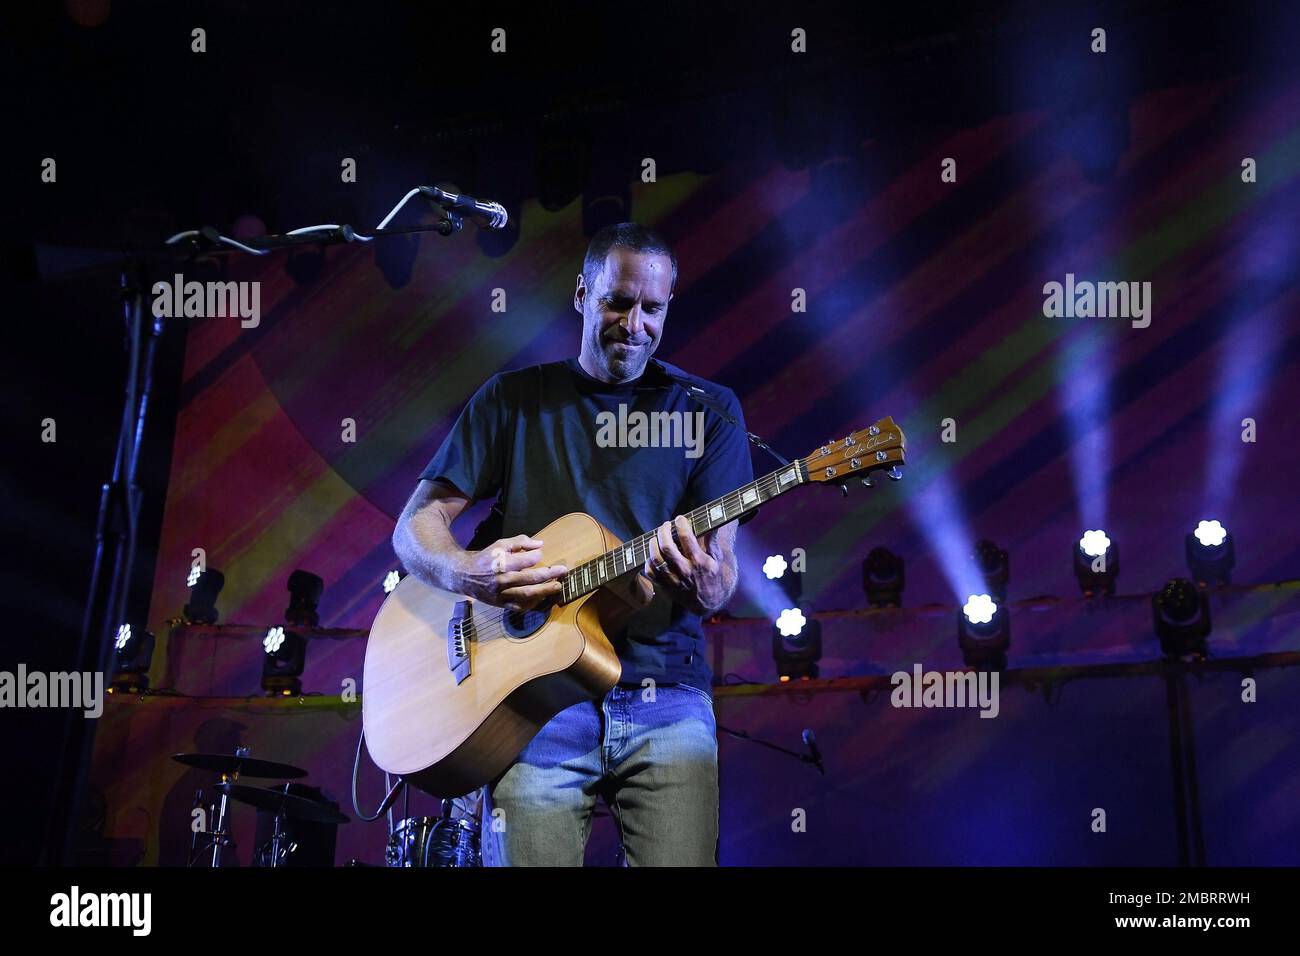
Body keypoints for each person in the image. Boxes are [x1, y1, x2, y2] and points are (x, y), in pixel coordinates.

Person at [392, 222, 754, 866]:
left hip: (666, 694)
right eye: (619, 301)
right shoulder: (513, 400)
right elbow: (415, 527)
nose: (635, 323)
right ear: (582, 294)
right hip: (532, 702)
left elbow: (720, 575)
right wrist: (469, 571)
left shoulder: (712, 412)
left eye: (653, 308)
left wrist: (708, 583)